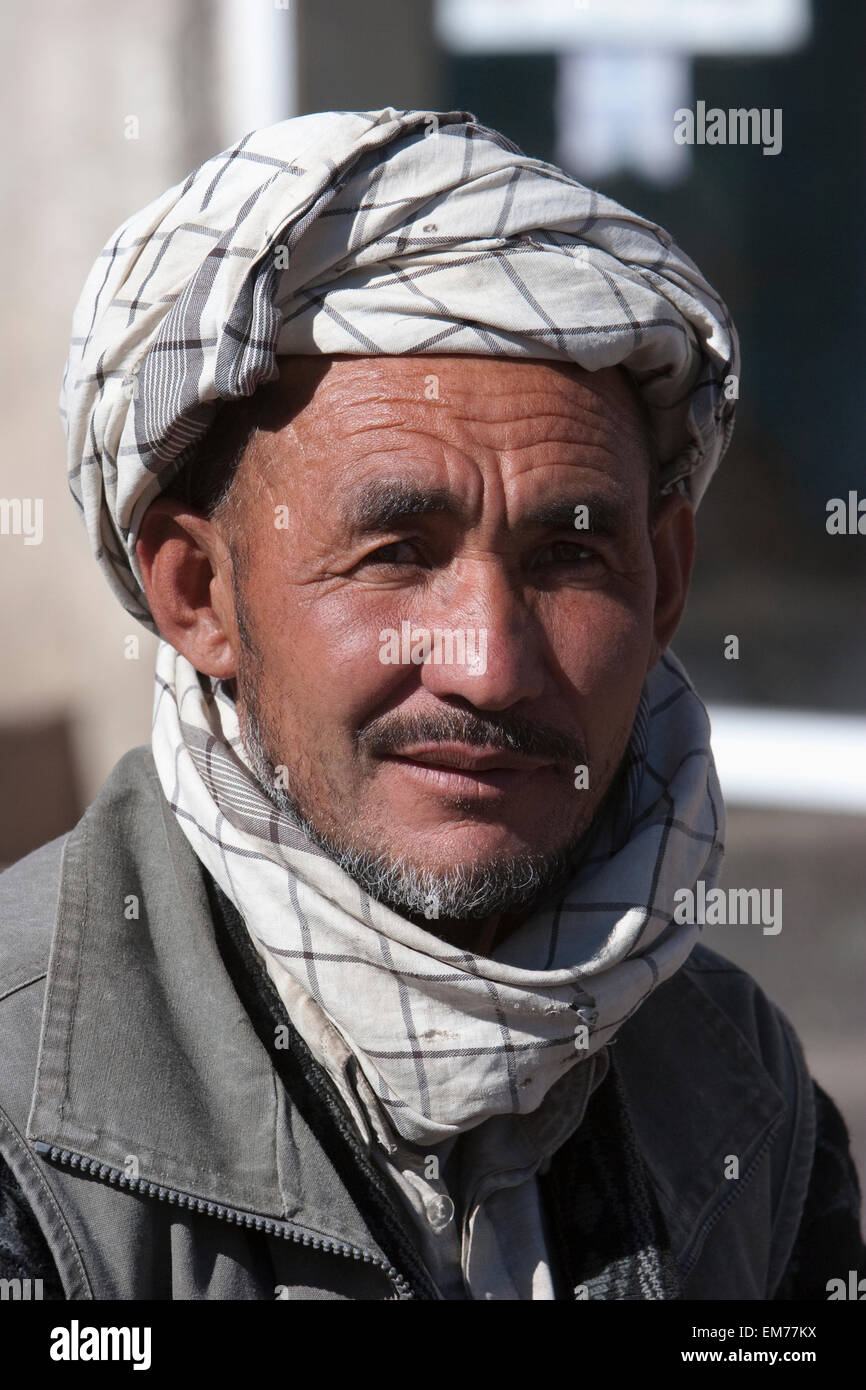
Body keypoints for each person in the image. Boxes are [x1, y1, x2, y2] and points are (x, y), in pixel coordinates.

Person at [0, 107, 862, 1301]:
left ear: (663, 582)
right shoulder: (20, 1137)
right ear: (198, 593)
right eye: (395, 552)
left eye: (568, 556)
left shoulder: (737, 1090)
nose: (490, 664)